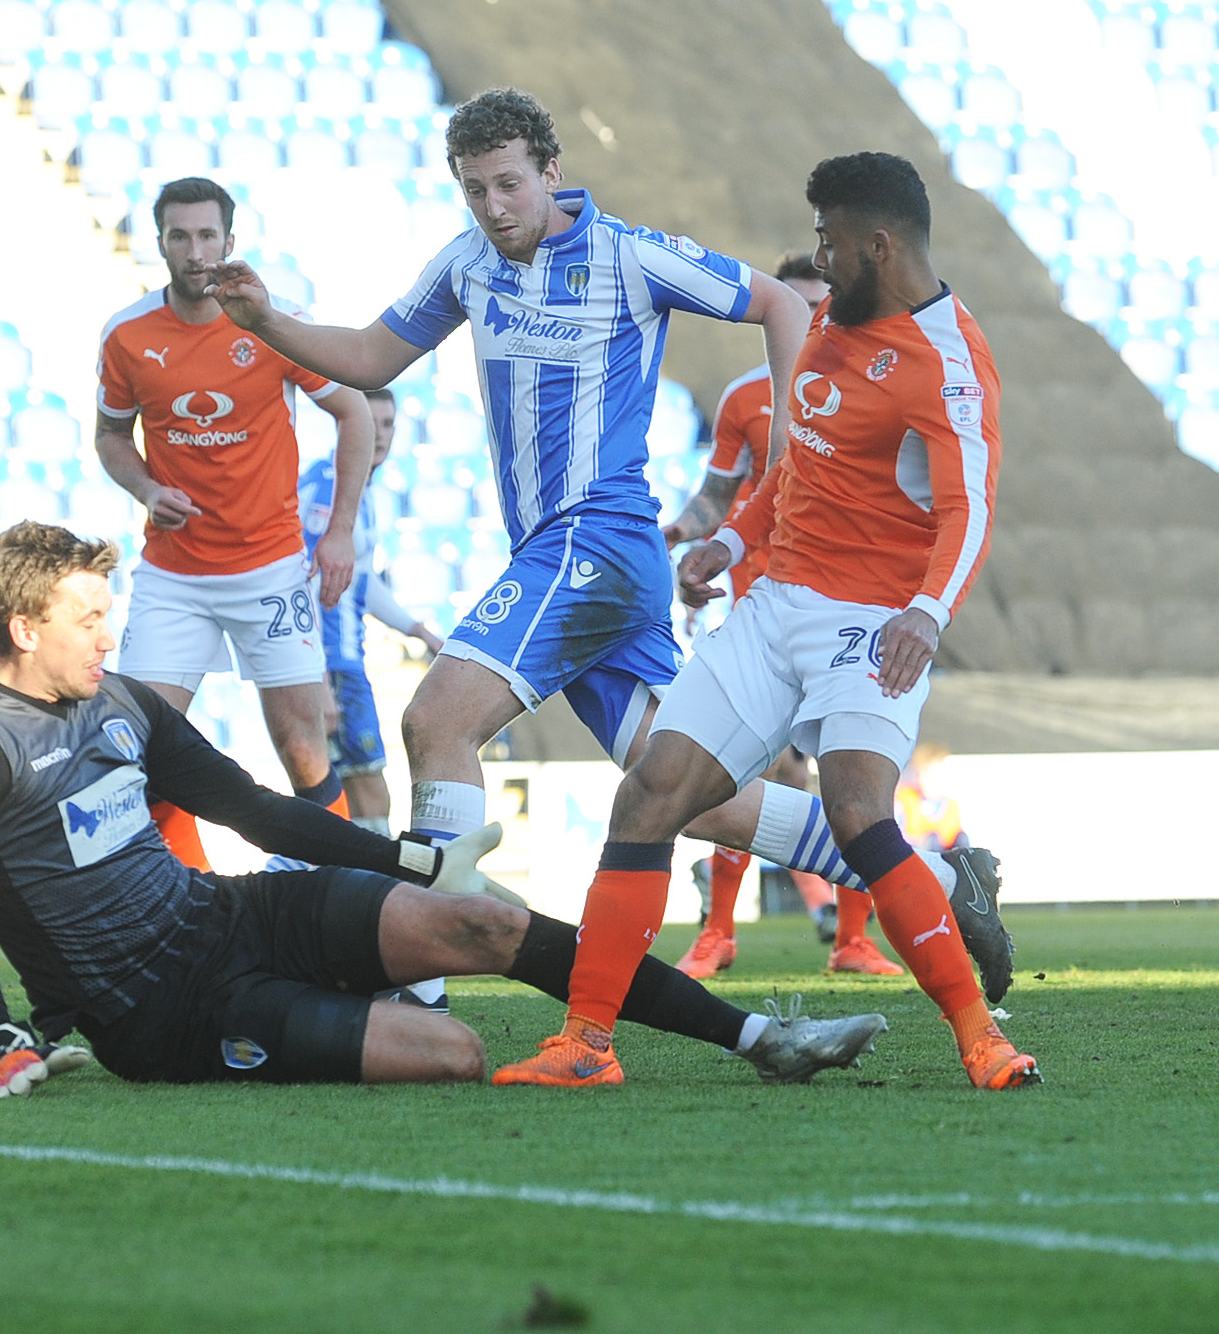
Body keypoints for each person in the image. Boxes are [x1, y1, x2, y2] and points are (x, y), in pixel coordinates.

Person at [0, 520, 890, 1095]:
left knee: (484, 918)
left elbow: (258, 811)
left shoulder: (118, 701)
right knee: (453, 1052)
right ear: (23, 625)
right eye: (88, 620)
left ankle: (762, 1040)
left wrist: (412, 864)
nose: (108, 633)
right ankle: (330, 1006)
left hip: (233, 915)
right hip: (159, 1011)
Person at [496, 152, 1037, 1091]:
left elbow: (970, 510)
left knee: (859, 813)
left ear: (880, 244)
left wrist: (927, 611)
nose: (817, 257)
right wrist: (733, 546)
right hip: (773, 605)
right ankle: (585, 1044)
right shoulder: (832, 320)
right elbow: (799, 467)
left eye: (829, 238)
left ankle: (981, 1038)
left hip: (870, 622)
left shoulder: (949, 364)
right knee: (651, 793)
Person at [201, 88, 823, 871]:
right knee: (689, 793)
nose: (492, 207)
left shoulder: (630, 256)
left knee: (437, 722)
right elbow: (370, 357)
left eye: (508, 184)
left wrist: (795, 448)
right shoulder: (468, 263)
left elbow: (778, 305)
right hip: (576, 558)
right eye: (473, 189)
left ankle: (423, 976)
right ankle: (922, 873)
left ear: (550, 171)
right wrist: (266, 324)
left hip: (594, 536)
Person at [96, 176, 375, 871]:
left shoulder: (268, 322)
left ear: (229, 240)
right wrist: (145, 486)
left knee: (304, 748)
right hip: (173, 575)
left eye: (207, 235)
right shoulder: (128, 337)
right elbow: (109, 437)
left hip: (270, 567)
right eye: (179, 236)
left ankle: (338, 896)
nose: (195, 251)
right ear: (159, 243)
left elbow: (356, 413)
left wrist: (339, 532)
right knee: (142, 745)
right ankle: (189, 907)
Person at [666, 254, 901, 981]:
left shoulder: (872, 389)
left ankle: (851, 940)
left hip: (839, 607)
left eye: (816, 306)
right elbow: (719, 494)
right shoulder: (745, 397)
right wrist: (677, 533)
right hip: (757, 604)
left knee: (848, 775)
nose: (805, 322)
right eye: (791, 309)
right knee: (743, 769)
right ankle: (719, 932)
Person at [296, 387, 443, 837]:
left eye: (387, 425)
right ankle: (378, 895)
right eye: (368, 423)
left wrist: (418, 630)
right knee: (368, 792)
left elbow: (360, 578)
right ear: (345, 426)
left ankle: (355, 892)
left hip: (342, 660)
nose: (379, 436)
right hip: (331, 664)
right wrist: (317, 674)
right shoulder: (328, 486)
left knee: (348, 794)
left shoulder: (362, 488)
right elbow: (301, 578)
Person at [897, 741, 967, 852]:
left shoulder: (951, 806)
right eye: (925, 773)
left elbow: (954, 839)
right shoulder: (905, 800)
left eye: (935, 774)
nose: (929, 780)